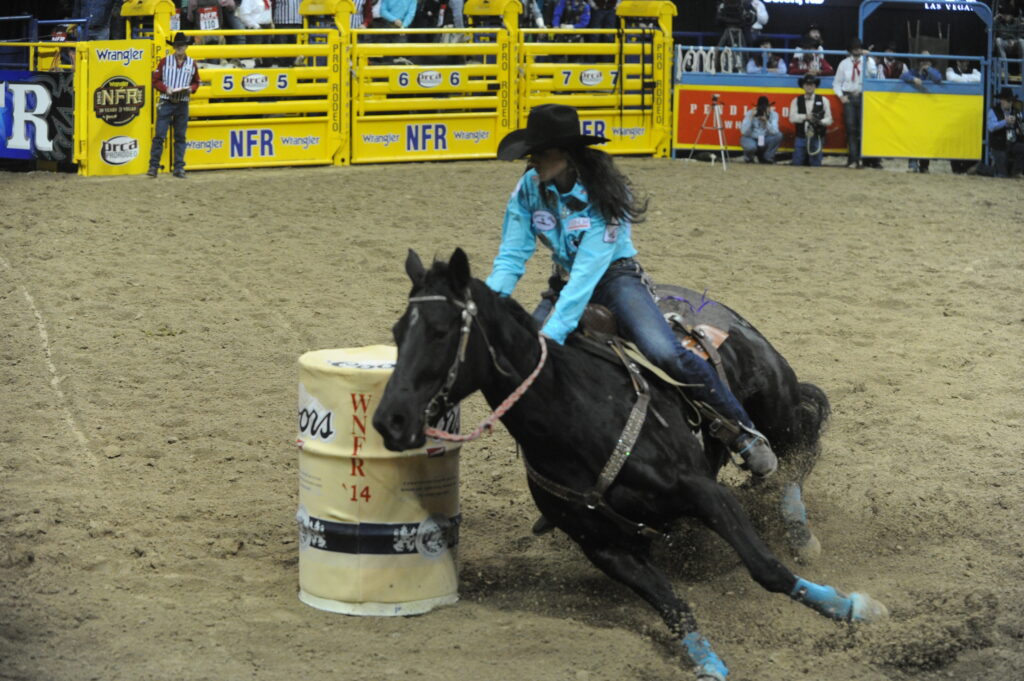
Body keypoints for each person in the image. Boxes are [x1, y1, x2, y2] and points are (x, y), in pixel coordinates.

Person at [487, 104, 780, 488]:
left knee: (663, 351)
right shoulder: (528, 190)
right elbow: (511, 255)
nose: (534, 161)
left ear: (566, 154)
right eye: (532, 154)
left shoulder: (604, 193)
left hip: (615, 279)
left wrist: (552, 334)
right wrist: (488, 305)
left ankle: (744, 434)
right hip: (563, 281)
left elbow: (591, 269)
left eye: (540, 153)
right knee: (524, 366)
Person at [147, 32, 200, 179]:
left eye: (181, 45)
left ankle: (178, 167)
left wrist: (191, 89)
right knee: (160, 135)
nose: (179, 48)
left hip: (181, 103)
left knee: (180, 136)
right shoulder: (165, 62)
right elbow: (155, 80)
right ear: (174, 47)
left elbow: (196, 81)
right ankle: (154, 166)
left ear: (186, 47)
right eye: (177, 46)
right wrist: (166, 89)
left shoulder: (191, 63)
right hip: (167, 101)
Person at [834, 37, 878, 168]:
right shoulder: (844, 63)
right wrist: (841, 96)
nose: (857, 50)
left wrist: (867, 60)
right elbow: (836, 83)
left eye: (858, 47)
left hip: (864, 97)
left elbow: (873, 75)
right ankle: (853, 159)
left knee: (863, 129)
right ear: (850, 50)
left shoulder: (869, 61)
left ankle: (864, 159)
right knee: (851, 129)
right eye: (854, 48)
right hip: (849, 97)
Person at [789, 73, 832, 167]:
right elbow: (792, 118)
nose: (809, 86)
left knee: (816, 163)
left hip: (817, 136)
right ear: (803, 86)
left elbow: (829, 119)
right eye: (807, 84)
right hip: (801, 136)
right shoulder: (796, 100)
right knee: (797, 162)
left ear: (815, 86)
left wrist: (820, 122)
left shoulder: (824, 100)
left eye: (811, 84)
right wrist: (805, 117)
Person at [987, 87, 1024, 178]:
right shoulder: (993, 111)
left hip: (1012, 143)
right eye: (1008, 100)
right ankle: (980, 168)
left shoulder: (1016, 112)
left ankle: (1017, 172)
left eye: (1011, 101)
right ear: (1002, 101)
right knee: (1002, 175)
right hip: (998, 145)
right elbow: (991, 127)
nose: (1011, 103)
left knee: (1022, 148)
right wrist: (1005, 122)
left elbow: (1022, 126)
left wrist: (1019, 129)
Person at [740, 95, 782, 163]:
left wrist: (767, 121)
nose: (762, 110)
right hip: (751, 138)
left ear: (769, 107)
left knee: (779, 135)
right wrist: (750, 118)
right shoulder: (750, 113)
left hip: (765, 138)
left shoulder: (773, 114)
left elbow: (775, 132)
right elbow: (743, 131)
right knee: (750, 147)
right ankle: (749, 159)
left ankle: (768, 158)